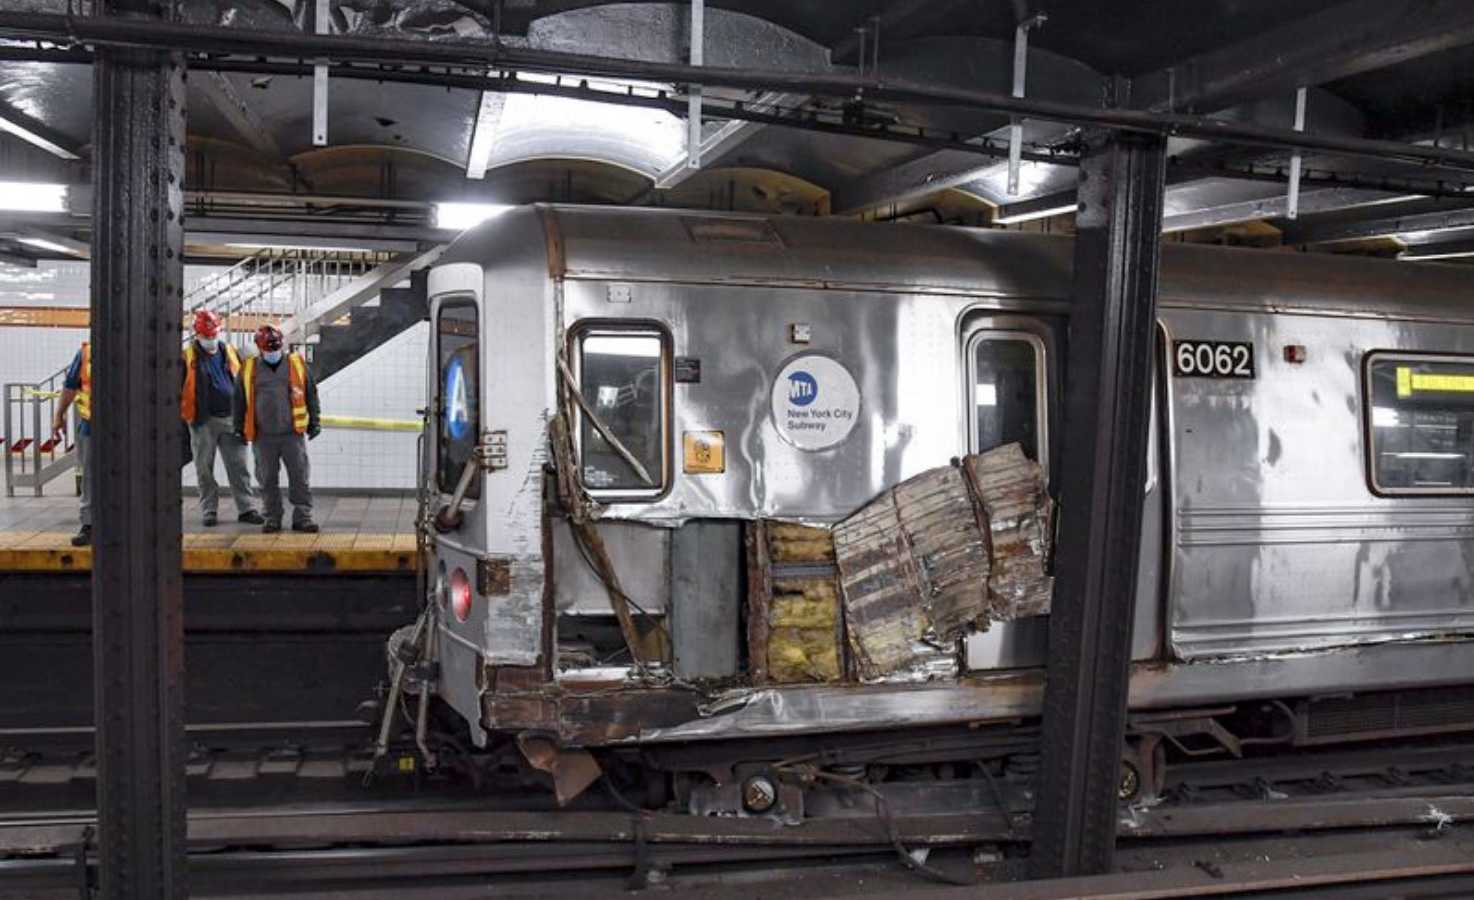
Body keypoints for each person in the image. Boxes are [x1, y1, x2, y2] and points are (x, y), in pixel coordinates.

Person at [233, 324, 322, 533]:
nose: (273, 352)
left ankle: (303, 517)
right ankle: (272, 517)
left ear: (282, 345)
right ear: (259, 348)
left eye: (276, 348)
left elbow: (310, 393)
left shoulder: (297, 364)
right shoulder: (248, 369)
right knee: (267, 480)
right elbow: (238, 400)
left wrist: (315, 421)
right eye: (268, 349)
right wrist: (238, 427)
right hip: (263, 436)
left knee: (299, 478)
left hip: (292, 435)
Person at [182, 310, 263, 527]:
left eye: (213, 335)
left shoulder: (229, 351)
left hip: (231, 418)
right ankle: (209, 510)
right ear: (197, 334)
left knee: (239, 467)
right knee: (204, 469)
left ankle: (247, 509)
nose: (211, 339)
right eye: (206, 336)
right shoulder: (187, 357)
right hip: (202, 422)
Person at [49, 342, 93, 546]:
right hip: (92, 426)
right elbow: (70, 385)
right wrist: (59, 415)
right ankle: (89, 524)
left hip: (127, 428)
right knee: (90, 477)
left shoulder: (133, 348)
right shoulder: (85, 353)